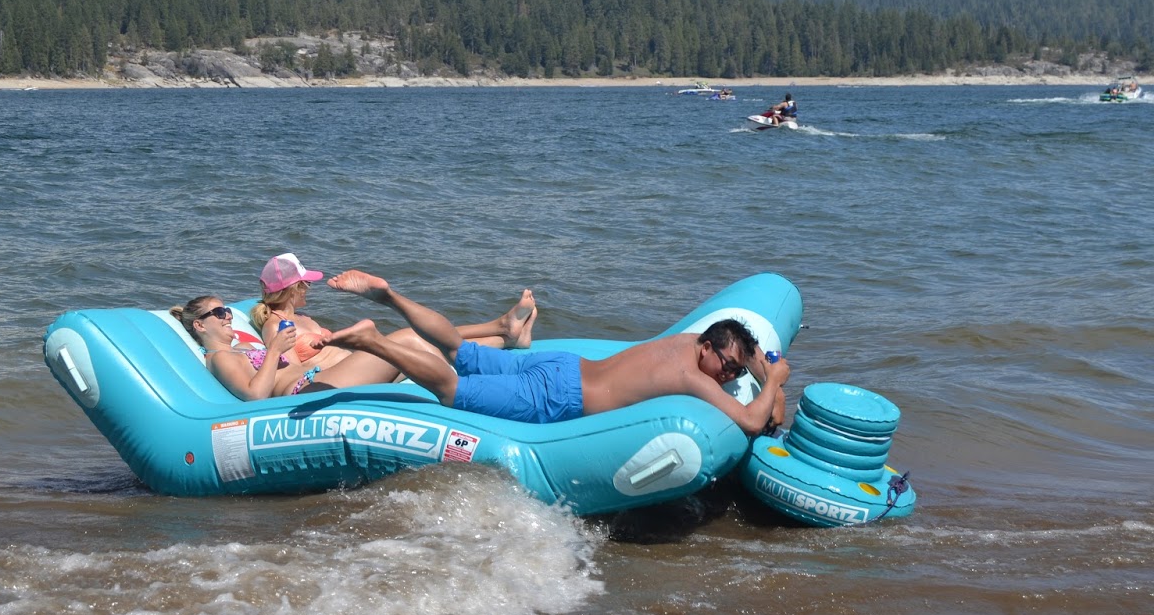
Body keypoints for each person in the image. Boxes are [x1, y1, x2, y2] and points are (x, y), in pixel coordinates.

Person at [320, 270, 789, 434]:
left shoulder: (688, 343)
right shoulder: (693, 377)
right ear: (707, 348)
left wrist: (754, 364)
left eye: (732, 369)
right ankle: (374, 341)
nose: (728, 375)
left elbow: (741, 350)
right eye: (726, 366)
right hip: (559, 398)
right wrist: (773, 381)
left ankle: (391, 298)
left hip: (560, 367)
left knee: (456, 346)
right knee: (450, 388)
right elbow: (750, 421)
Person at [250, 252, 537, 362]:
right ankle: (504, 337)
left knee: (415, 336)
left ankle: (502, 329)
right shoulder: (275, 325)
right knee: (413, 339)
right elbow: (290, 371)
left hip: (356, 361)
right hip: (342, 376)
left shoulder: (302, 317)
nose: (310, 288)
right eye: (305, 283)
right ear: (292, 289)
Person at [171, 295, 403, 400]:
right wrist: (274, 350)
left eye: (228, 311)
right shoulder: (219, 357)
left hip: (319, 378)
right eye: (220, 313)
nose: (228, 316)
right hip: (305, 391)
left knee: (414, 346)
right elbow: (255, 395)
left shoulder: (241, 347)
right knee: (403, 342)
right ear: (199, 325)